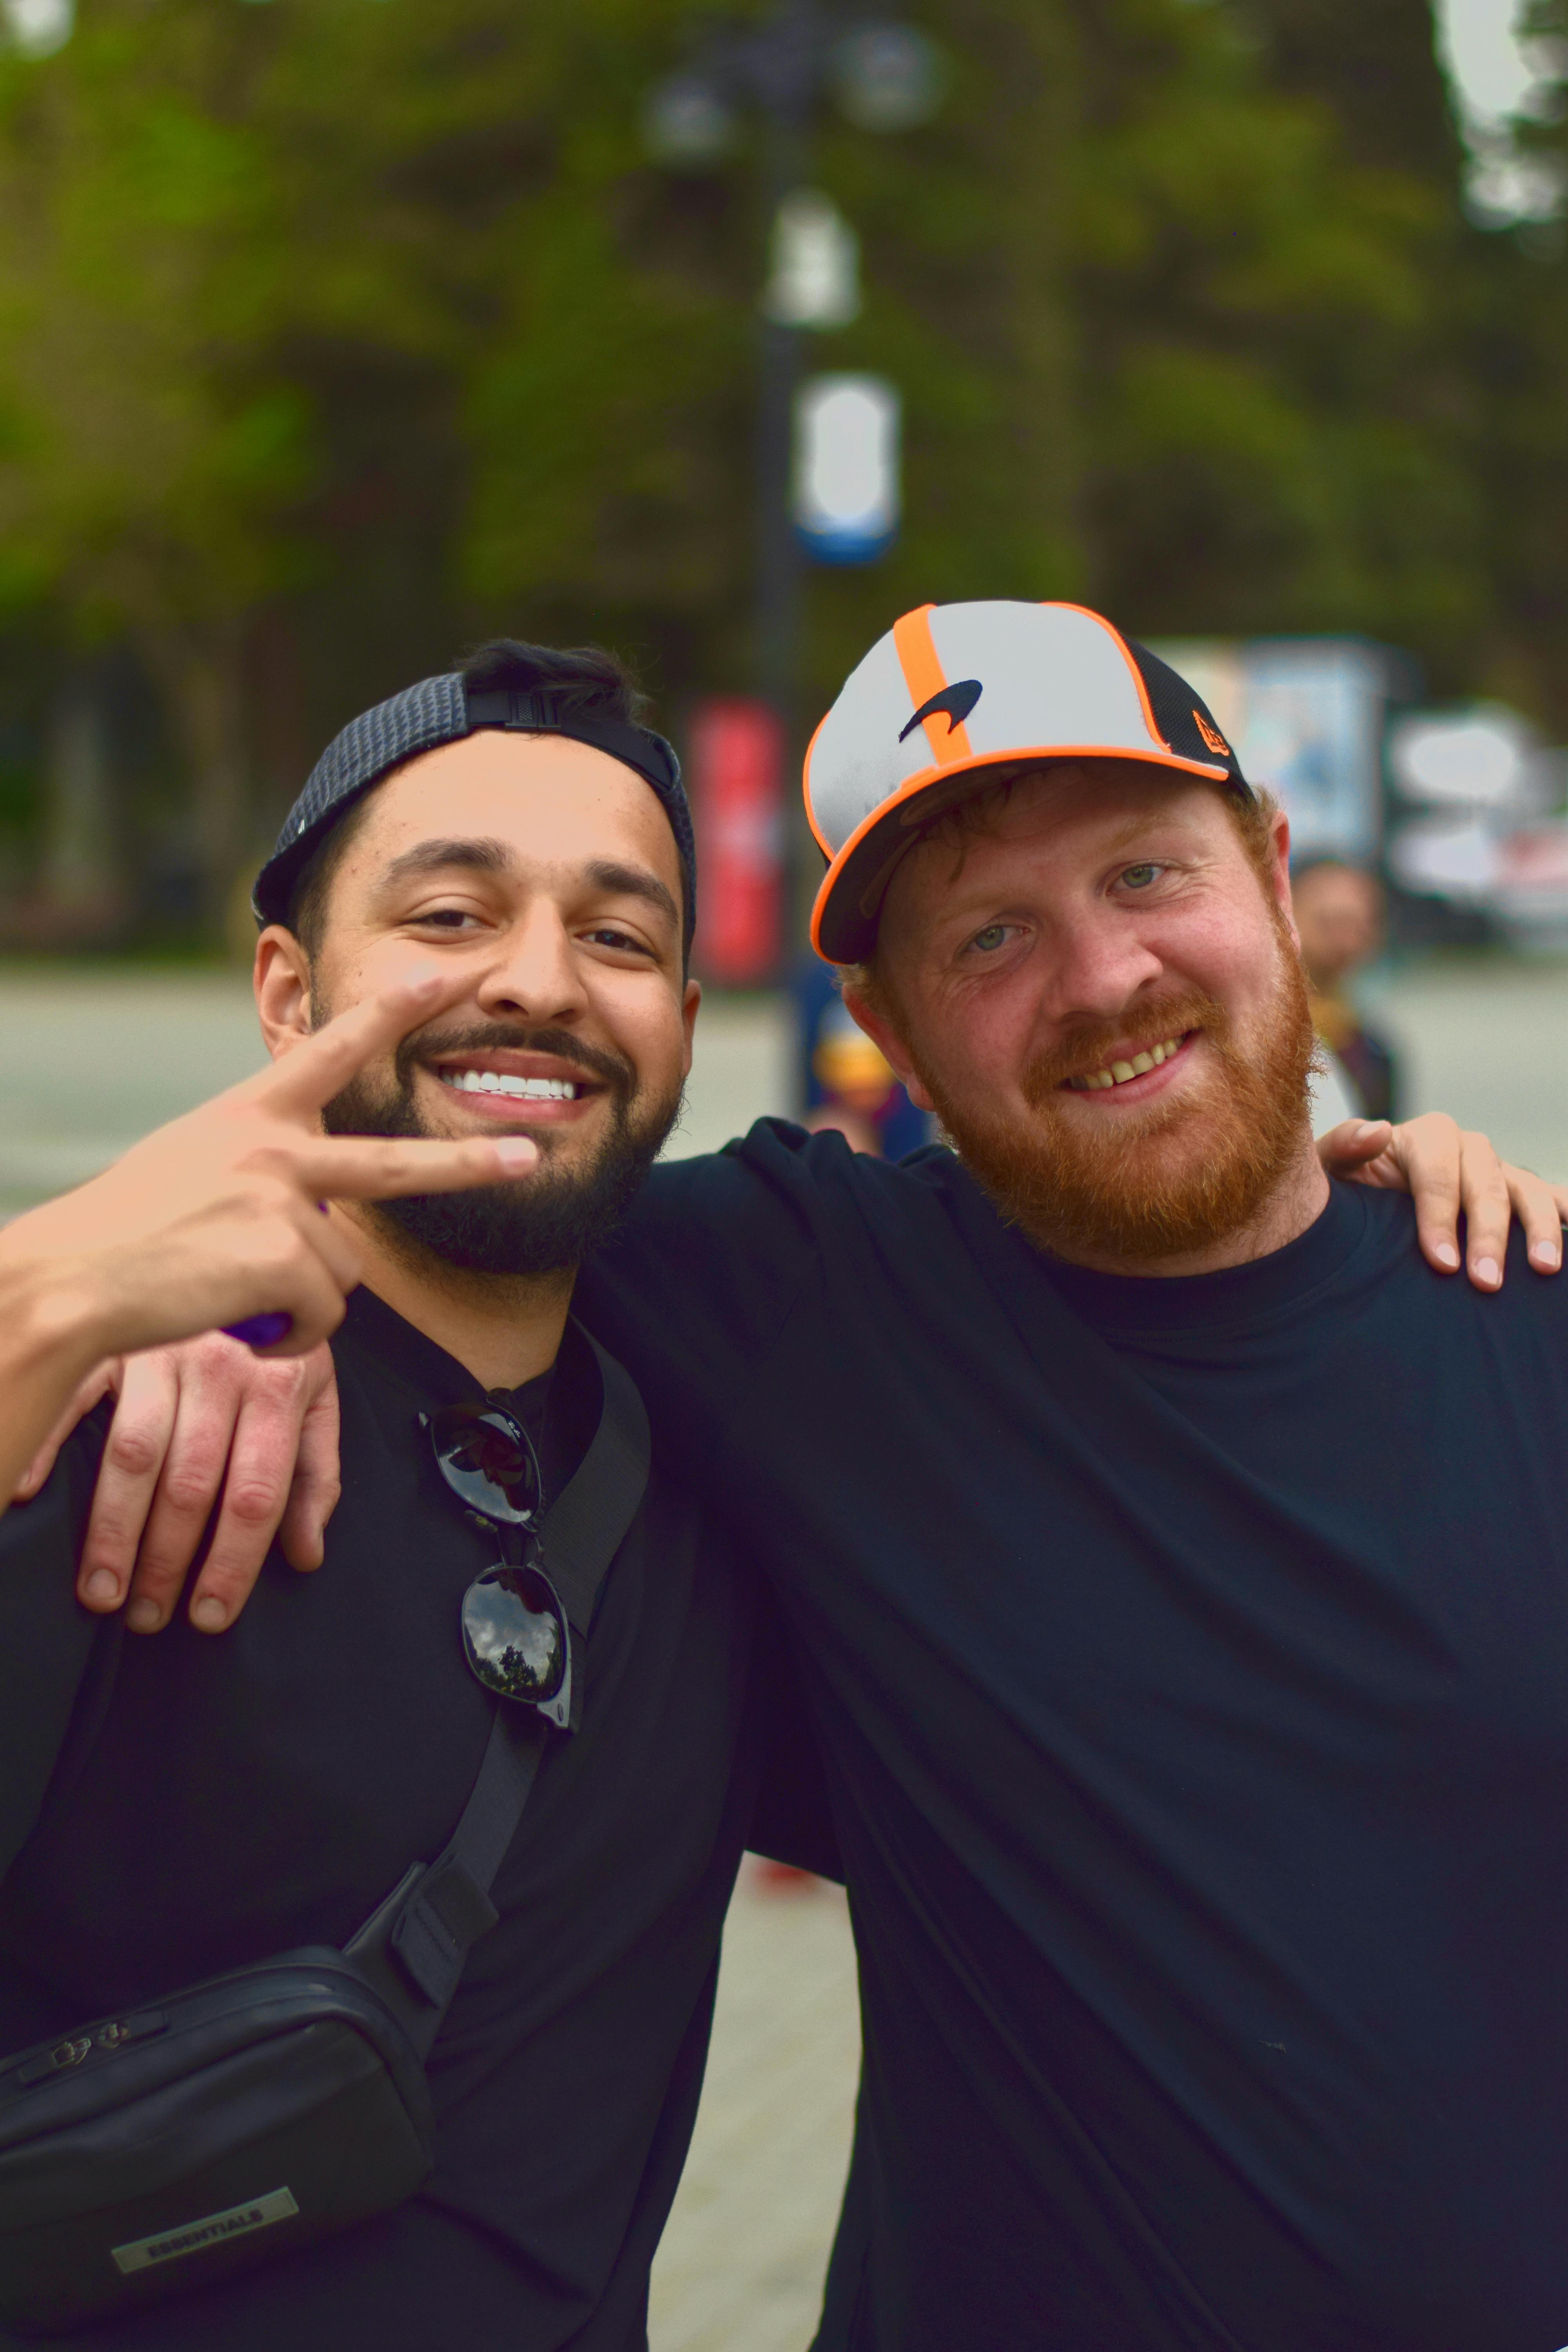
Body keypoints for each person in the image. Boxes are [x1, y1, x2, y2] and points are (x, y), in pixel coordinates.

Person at [31, 610, 1568, 2349]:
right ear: (886, 1029)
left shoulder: (1523, 1319)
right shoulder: (798, 1297)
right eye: (987, 933)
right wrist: (172, 1290)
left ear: (1275, 876)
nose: (1100, 974)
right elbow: (473, 1174)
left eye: (1146, 873)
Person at [0, 641, 833, 2352]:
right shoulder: (108, 1429)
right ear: (289, 992)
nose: (538, 981)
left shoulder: (728, 1466)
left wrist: (1353, 1179)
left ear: (680, 1020)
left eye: (618, 935)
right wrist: (40, 1311)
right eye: (450, 915)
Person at [1292, 853, 1400, 1121]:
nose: (1345, 940)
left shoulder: (1373, 1051)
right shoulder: (1253, 1032)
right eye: (1329, 921)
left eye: (1360, 924)